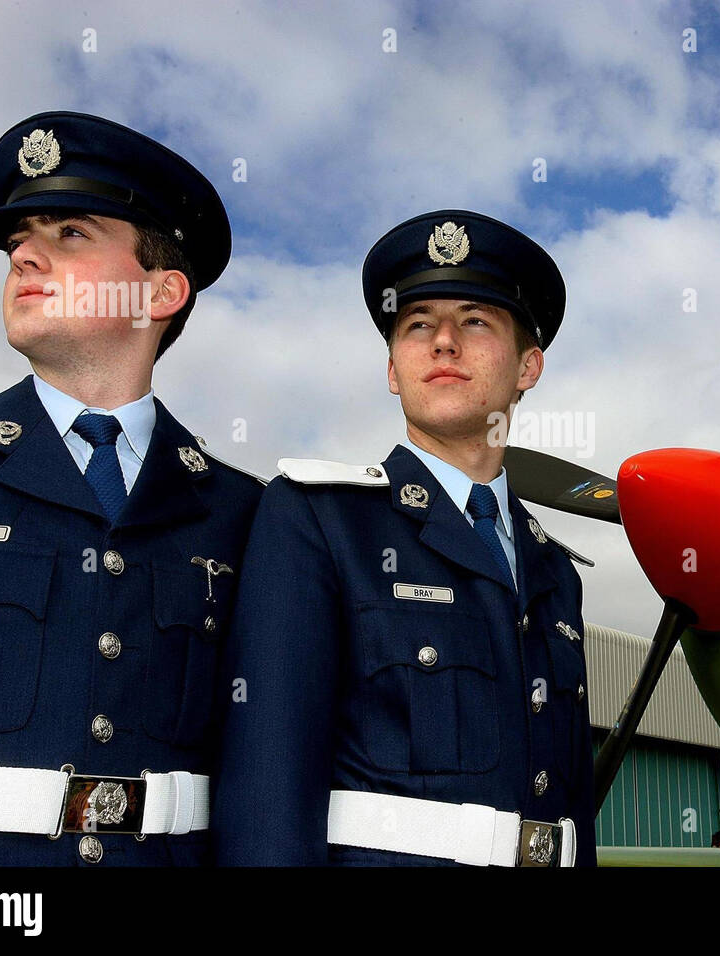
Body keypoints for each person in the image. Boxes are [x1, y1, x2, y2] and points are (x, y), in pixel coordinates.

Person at [0, 111, 264, 865]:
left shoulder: (244, 513)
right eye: (18, 240)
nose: (23, 255)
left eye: (69, 235)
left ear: (159, 293)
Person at [215, 210, 596, 866]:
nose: (444, 342)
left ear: (528, 366)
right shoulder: (317, 521)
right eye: (418, 325)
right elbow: (268, 790)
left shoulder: (556, 572)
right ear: (394, 369)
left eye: (476, 320)